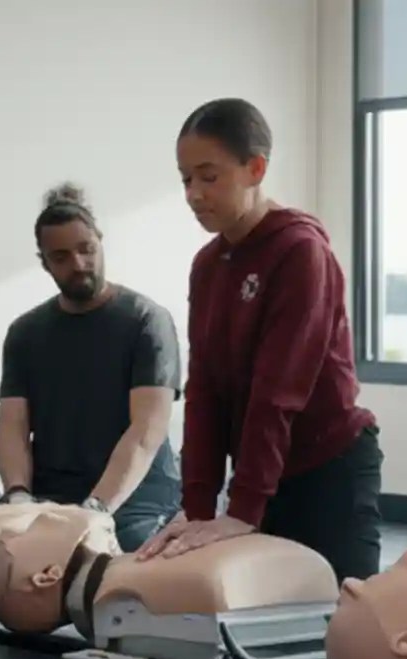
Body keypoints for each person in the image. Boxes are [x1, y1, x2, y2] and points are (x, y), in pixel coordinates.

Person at [135, 98, 383, 582]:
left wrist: (244, 508)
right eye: (186, 179)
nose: (193, 193)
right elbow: (204, 390)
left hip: (327, 468)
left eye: (209, 177)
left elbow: (278, 392)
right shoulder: (208, 265)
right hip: (267, 475)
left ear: (256, 168)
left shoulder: (300, 252)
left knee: (348, 628)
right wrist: (198, 509)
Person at [0, 184, 182, 552]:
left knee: (106, 562)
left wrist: (96, 510)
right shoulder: (25, 333)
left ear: (100, 241)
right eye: (61, 257)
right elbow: (12, 424)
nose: (78, 264)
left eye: (86, 250)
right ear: (44, 261)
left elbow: (147, 430)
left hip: (135, 501)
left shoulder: (147, 321)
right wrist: (17, 495)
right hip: (54, 495)